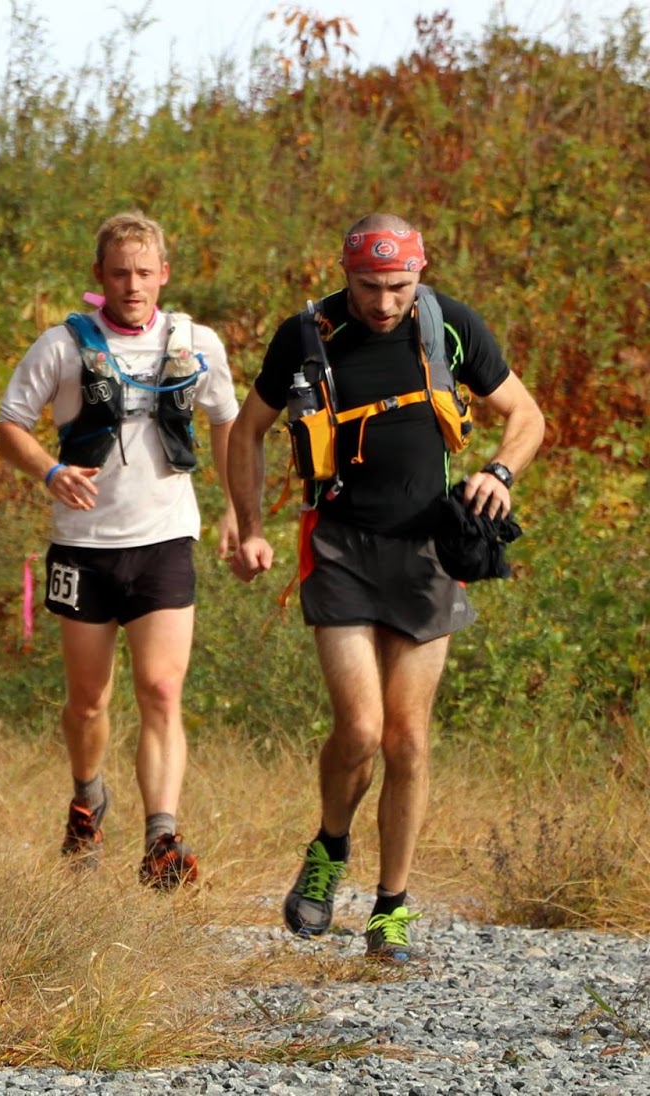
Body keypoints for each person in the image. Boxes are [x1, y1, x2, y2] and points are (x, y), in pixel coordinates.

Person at [227, 213, 544, 962]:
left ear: (420, 274)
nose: (384, 302)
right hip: (337, 548)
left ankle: (391, 910)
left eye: (399, 285)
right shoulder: (305, 336)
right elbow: (247, 433)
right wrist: (248, 527)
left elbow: (525, 416)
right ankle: (330, 848)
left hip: (429, 551)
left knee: (407, 741)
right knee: (362, 729)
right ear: (346, 273)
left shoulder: (449, 326)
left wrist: (500, 472)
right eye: (369, 286)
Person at [0, 210, 240, 888]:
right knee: (90, 700)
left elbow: (228, 425)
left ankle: (162, 837)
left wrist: (237, 514)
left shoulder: (199, 344)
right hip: (84, 547)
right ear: (99, 279)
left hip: (165, 539)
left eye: (144, 272)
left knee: (162, 689)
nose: (133, 285)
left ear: (163, 274)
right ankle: (88, 796)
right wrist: (50, 469)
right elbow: (8, 428)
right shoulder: (62, 345)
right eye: (120, 273)